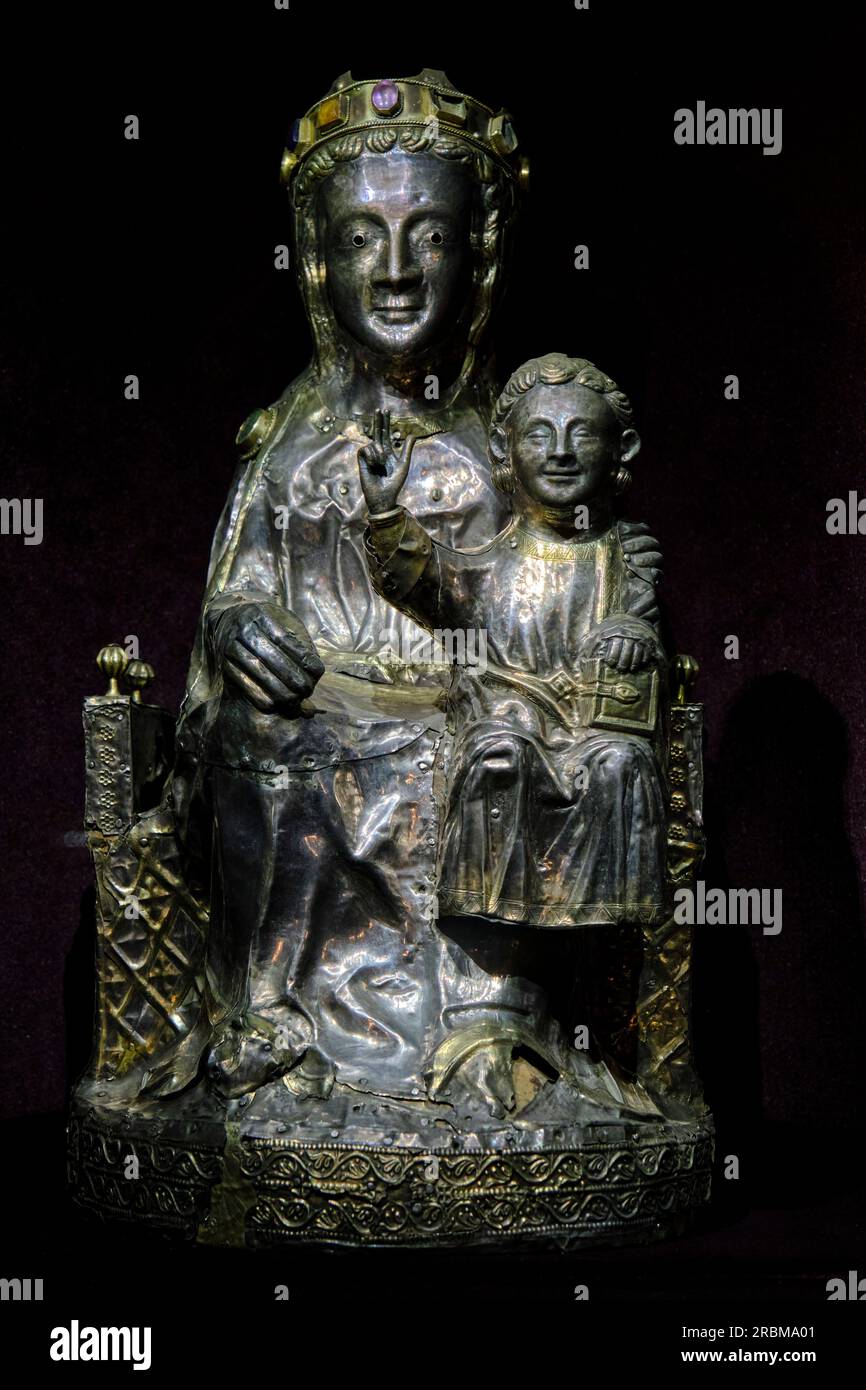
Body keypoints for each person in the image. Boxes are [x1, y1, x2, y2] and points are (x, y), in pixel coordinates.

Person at [359, 353, 669, 930]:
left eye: (581, 434)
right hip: (508, 719)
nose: (559, 452)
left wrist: (631, 633)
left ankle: (607, 921)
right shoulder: (491, 562)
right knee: (502, 751)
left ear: (621, 450)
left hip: (593, 728)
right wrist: (384, 513)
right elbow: (424, 581)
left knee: (621, 763)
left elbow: (640, 625)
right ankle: (489, 912)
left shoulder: (629, 556)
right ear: (504, 451)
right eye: (539, 434)